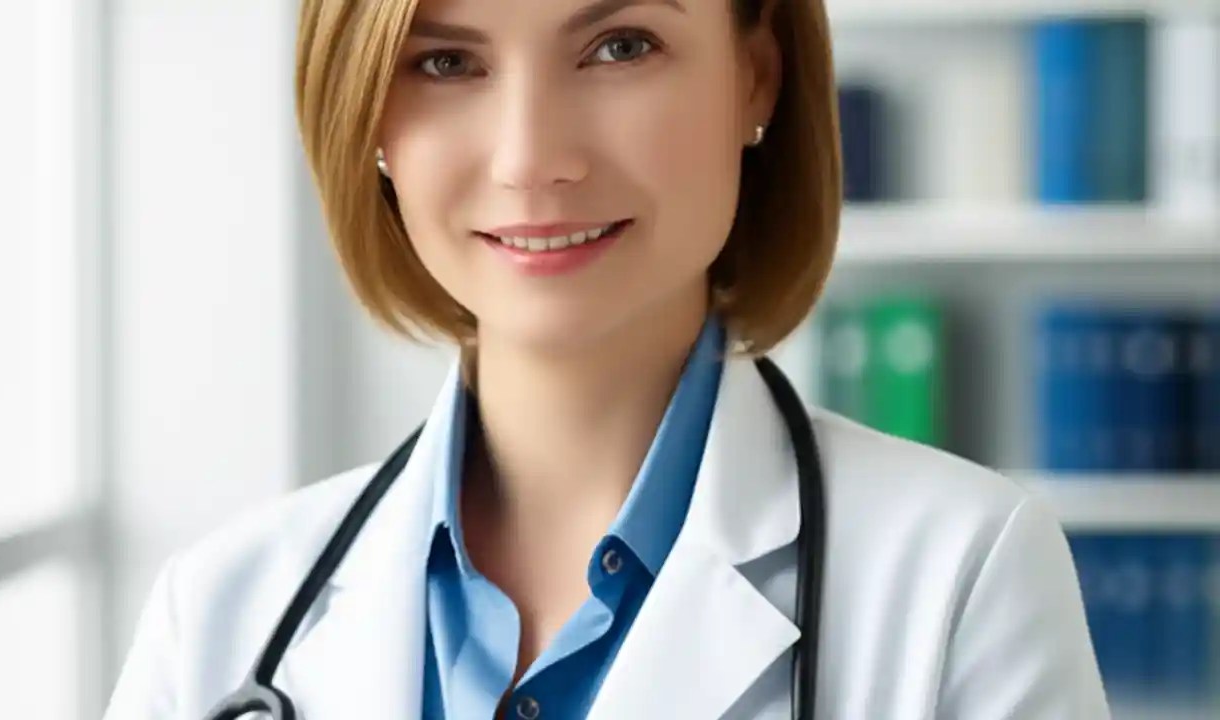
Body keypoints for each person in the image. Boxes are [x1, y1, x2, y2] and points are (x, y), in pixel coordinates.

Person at [104, 0, 1112, 718]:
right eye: (446, 62)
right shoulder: (223, 612)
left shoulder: (962, 575)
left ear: (754, 75)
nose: (530, 156)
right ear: (366, 116)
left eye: (618, 45)